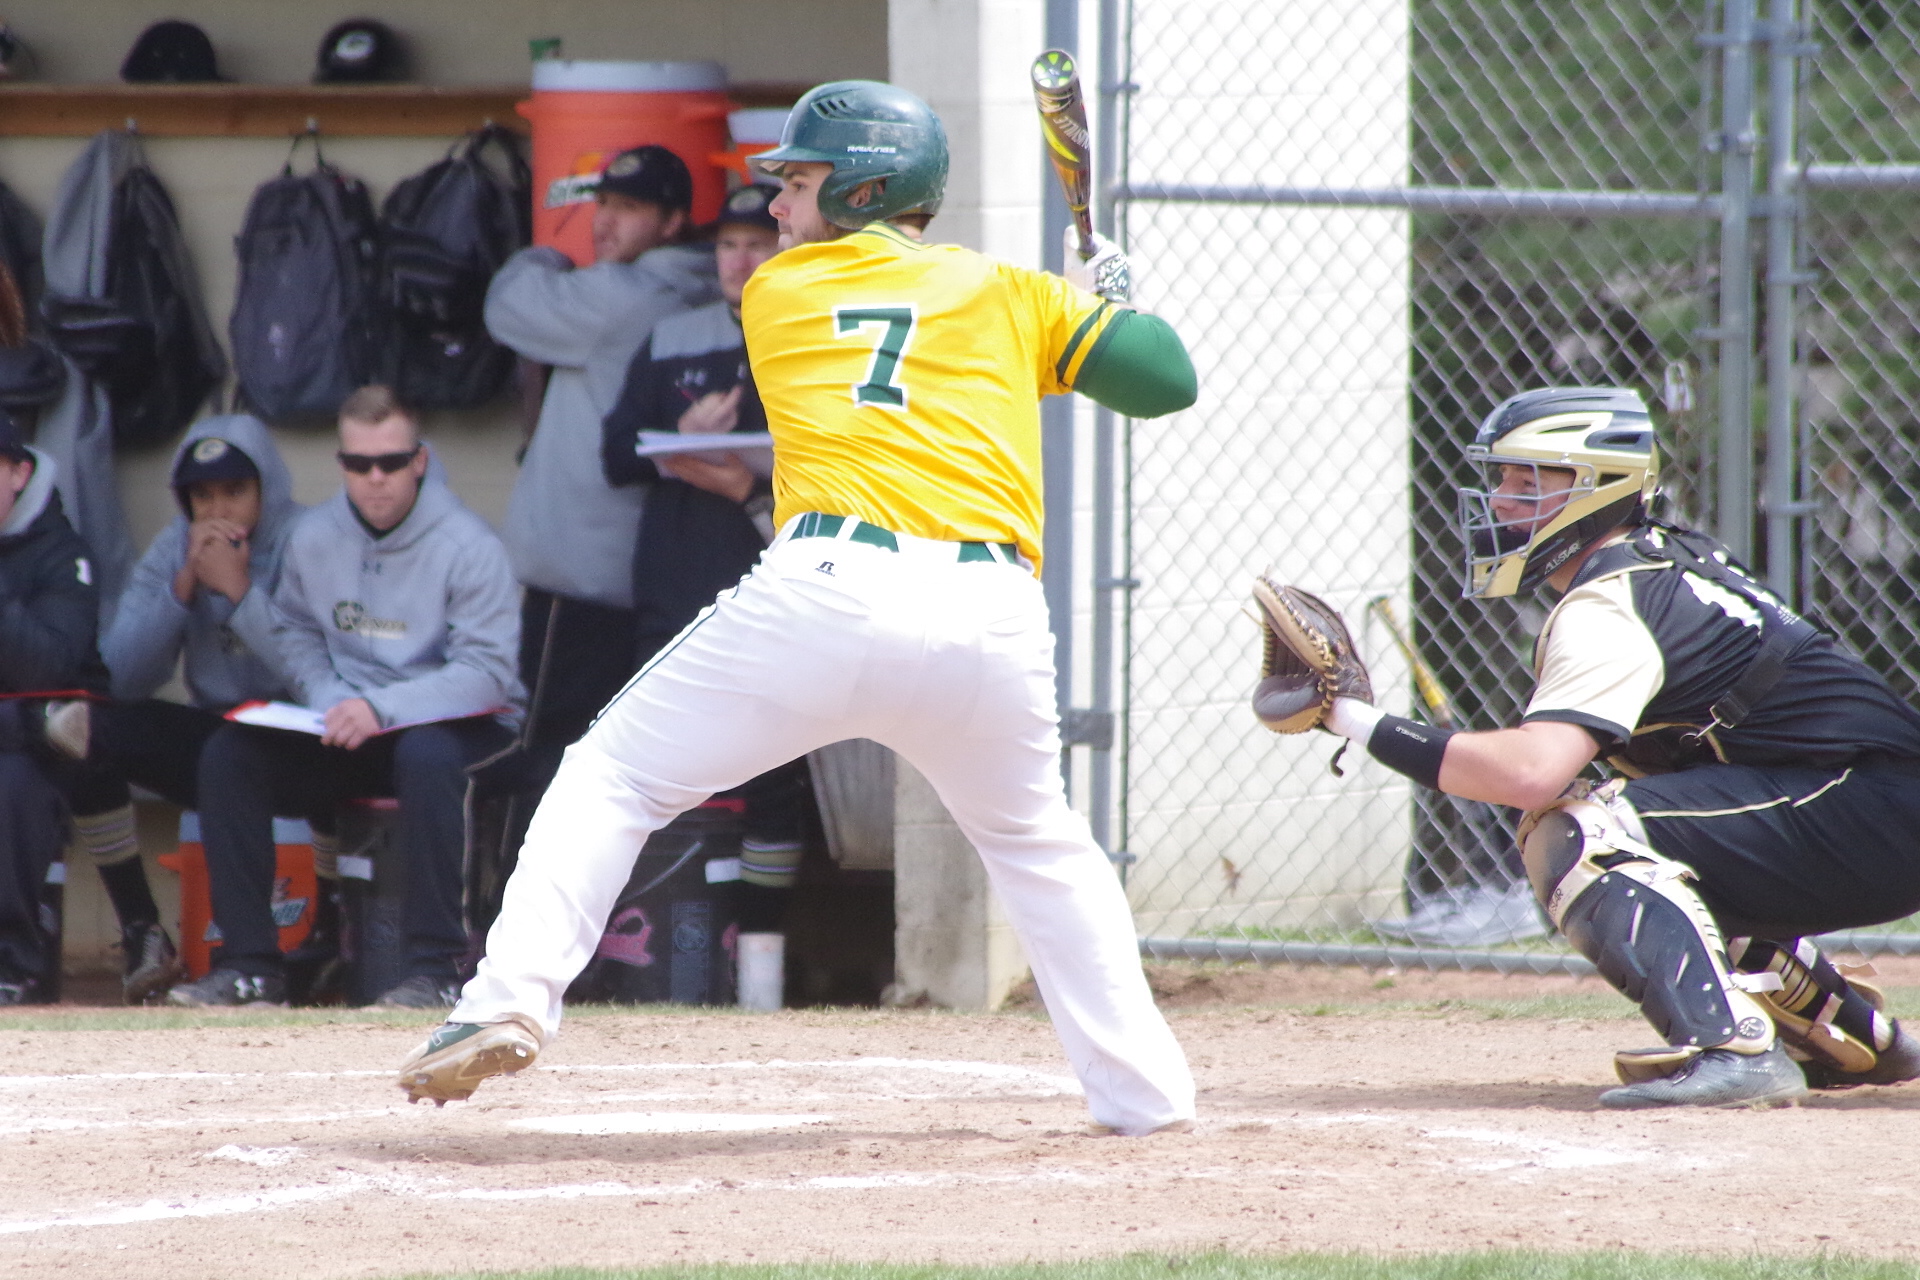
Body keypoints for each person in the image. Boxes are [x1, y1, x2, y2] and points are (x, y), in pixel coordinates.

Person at [399, 80, 1200, 1135]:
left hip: (829, 595)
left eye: (801, 180)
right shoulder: (1007, 293)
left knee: (612, 772)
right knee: (1042, 843)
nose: (776, 207)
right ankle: (1145, 1096)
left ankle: (504, 1000)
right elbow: (1162, 380)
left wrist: (1068, 308)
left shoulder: (780, 293)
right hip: (992, 617)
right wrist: (1110, 300)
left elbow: (915, 338)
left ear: (869, 188)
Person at [1256, 385, 1920, 1109]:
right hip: (1872, 808)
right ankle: (1858, 1039)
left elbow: (1531, 774)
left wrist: (1352, 718)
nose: (1503, 501)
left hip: (1869, 806)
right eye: (1502, 479)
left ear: (1599, 489)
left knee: (1583, 831)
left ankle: (1733, 1049)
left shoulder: (1610, 602)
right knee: (1659, 845)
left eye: (1530, 482)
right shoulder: (1659, 561)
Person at [170, 386, 522, 1009]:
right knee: (230, 754)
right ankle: (251, 966)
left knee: (428, 756)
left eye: (391, 462)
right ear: (342, 466)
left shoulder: (469, 545)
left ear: (419, 460)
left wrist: (380, 710)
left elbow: (487, 675)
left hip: (463, 726)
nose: (376, 479)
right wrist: (330, 697)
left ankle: (438, 969)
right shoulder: (315, 536)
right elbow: (299, 636)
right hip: (354, 722)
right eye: (360, 465)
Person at [601, 180, 808, 922]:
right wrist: (682, 441)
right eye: (726, 244)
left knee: (776, 775)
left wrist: (745, 486)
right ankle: (655, 945)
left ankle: (761, 955)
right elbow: (616, 455)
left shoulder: (815, 332)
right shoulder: (672, 337)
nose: (739, 258)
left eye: (756, 242)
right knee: (645, 757)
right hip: (674, 579)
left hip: (774, 581)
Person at [485, 144, 719, 780]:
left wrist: (547, 251)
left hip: (581, 581)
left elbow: (505, 306)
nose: (606, 222)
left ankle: (529, 884)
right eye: (603, 205)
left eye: (631, 208)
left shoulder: (622, 294)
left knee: (551, 757)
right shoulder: (710, 287)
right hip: (658, 572)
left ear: (673, 222)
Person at [53, 415, 306, 1003]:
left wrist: (241, 592)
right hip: (217, 734)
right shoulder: (177, 542)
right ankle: (144, 930)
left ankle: (317, 940)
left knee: (234, 747)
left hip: (303, 737)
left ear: (265, 488)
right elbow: (119, 675)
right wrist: (184, 587)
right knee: (84, 726)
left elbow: (310, 671)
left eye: (235, 491)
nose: (218, 510)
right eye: (202, 495)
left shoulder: (305, 537)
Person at [0, 417, 107, 1003]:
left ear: (19, 472)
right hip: (22, 727)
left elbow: (49, 668)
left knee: (13, 777)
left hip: (52, 747)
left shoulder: (61, 552)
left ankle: (10, 962)